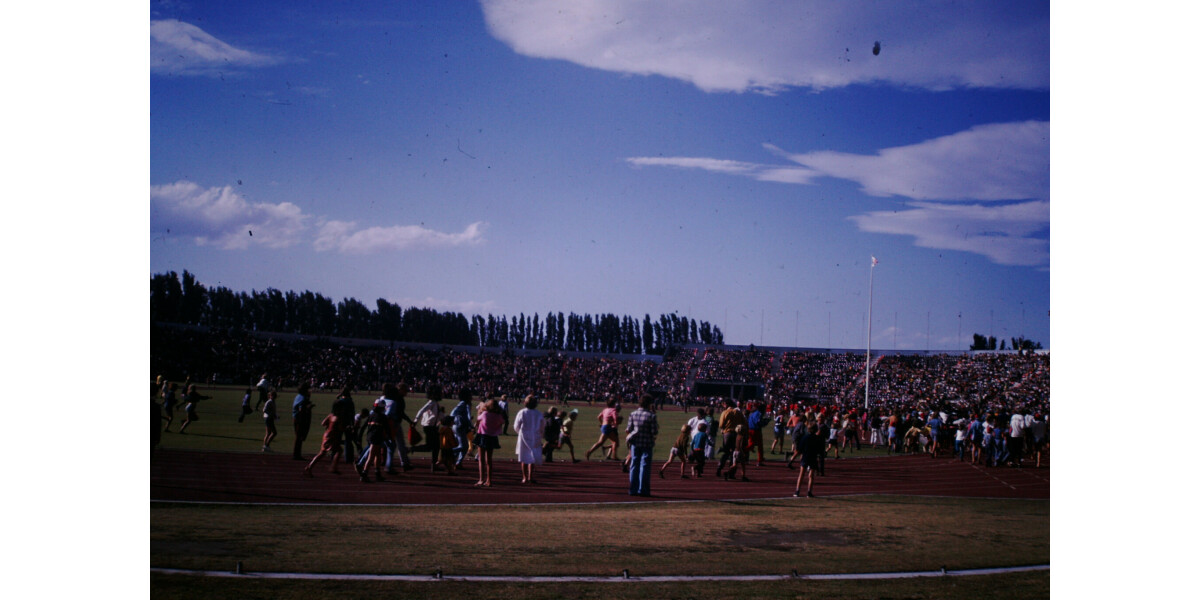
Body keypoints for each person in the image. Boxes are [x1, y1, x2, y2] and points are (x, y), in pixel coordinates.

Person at [625, 394, 659, 497]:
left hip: (635, 442)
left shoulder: (633, 414)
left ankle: (633, 489)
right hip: (647, 442)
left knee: (634, 465)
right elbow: (654, 431)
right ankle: (643, 489)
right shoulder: (651, 415)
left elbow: (628, 429)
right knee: (644, 466)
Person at [514, 395, 546, 484]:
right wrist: (540, 434)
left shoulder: (522, 412)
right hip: (535, 436)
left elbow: (516, 426)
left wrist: (519, 432)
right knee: (532, 457)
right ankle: (530, 477)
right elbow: (543, 425)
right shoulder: (538, 413)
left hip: (523, 436)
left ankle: (524, 477)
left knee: (524, 457)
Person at [304, 411, 345, 476]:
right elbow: (341, 428)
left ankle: (310, 467)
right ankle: (333, 467)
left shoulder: (331, 415)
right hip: (332, 437)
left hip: (326, 435)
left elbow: (323, 423)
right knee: (338, 451)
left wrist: (329, 426)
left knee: (323, 453)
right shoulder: (338, 418)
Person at [474, 399, 504, 487]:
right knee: (489, 460)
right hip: (492, 437)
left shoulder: (485, 414)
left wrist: (480, 409)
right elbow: (502, 421)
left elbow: (478, 419)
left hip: (483, 436)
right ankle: (489, 480)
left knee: (481, 460)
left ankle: (481, 479)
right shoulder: (498, 416)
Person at [715, 398, 746, 477]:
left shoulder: (725, 412)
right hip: (736, 434)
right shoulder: (738, 413)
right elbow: (744, 423)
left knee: (726, 452)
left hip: (727, 434)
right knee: (734, 454)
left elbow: (721, 425)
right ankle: (731, 472)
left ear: (726, 404)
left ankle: (719, 467)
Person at [793, 424, 823, 497]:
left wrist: (795, 457)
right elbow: (819, 449)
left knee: (801, 474)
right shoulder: (817, 438)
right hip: (813, 457)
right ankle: (809, 492)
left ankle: (797, 491)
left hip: (805, 457)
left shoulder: (805, 437)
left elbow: (800, 449)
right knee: (811, 476)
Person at [331, 387, 357, 464]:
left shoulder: (338, 402)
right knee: (348, 441)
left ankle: (333, 456)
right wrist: (352, 425)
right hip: (347, 423)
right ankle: (348, 458)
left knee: (337, 440)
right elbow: (352, 414)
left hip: (338, 422)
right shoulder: (350, 402)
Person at [451, 390, 474, 467]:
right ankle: (449, 453)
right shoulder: (465, 404)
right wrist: (471, 425)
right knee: (464, 447)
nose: (471, 397)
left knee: (458, 445)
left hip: (456, 427)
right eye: (470, 395)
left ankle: (454, 461)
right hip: (459, 427)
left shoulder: (463, 404)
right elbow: (467, 416)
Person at [292, 383, 314, 460]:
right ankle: (296, 455)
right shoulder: (303, 398)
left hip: (296, 418)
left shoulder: (298, 396)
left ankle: (297, 454)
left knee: (298, 436)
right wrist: (309, 408)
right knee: (299, 437)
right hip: (300, 419)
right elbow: (301, 410)